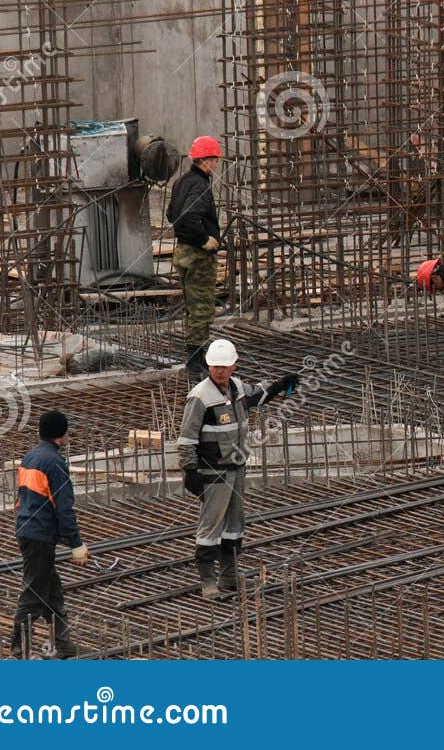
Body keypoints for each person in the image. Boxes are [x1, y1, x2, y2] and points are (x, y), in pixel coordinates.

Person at [178, 339, 300, 599]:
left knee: (234, 525)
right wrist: (190, 469)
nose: (219, 371)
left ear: (234, 365)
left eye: (224, 366)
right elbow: (187, 438)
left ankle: (229, 577)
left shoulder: (237, 389)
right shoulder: (200, 396)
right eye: (215, 366)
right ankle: (208, 581)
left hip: (236, 468)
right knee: (210, 526)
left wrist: (280, 385)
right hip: (213, 470)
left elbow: (258, 394)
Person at [10, 411, 90, 658]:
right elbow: (63, 507)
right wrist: (75, 543)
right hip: (39, 536)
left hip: (28, 530)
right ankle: (18, 651)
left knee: (52, 591)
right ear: (62, 434)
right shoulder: (54, 463)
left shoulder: (31, 456)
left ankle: (62, 644)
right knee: (34, 593)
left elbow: (23, 499)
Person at [167, 136, 225, 377]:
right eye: (215, 160)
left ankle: (196, 356)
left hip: (182, 252)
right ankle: (195, 362)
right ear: (207, 161)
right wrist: (204, 239)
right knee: (201, 307)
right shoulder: (200, 185)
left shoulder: (182, 182)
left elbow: (172, 215)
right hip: (197, 255)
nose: (217, 164)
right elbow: (188, 217)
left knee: (192, 307)